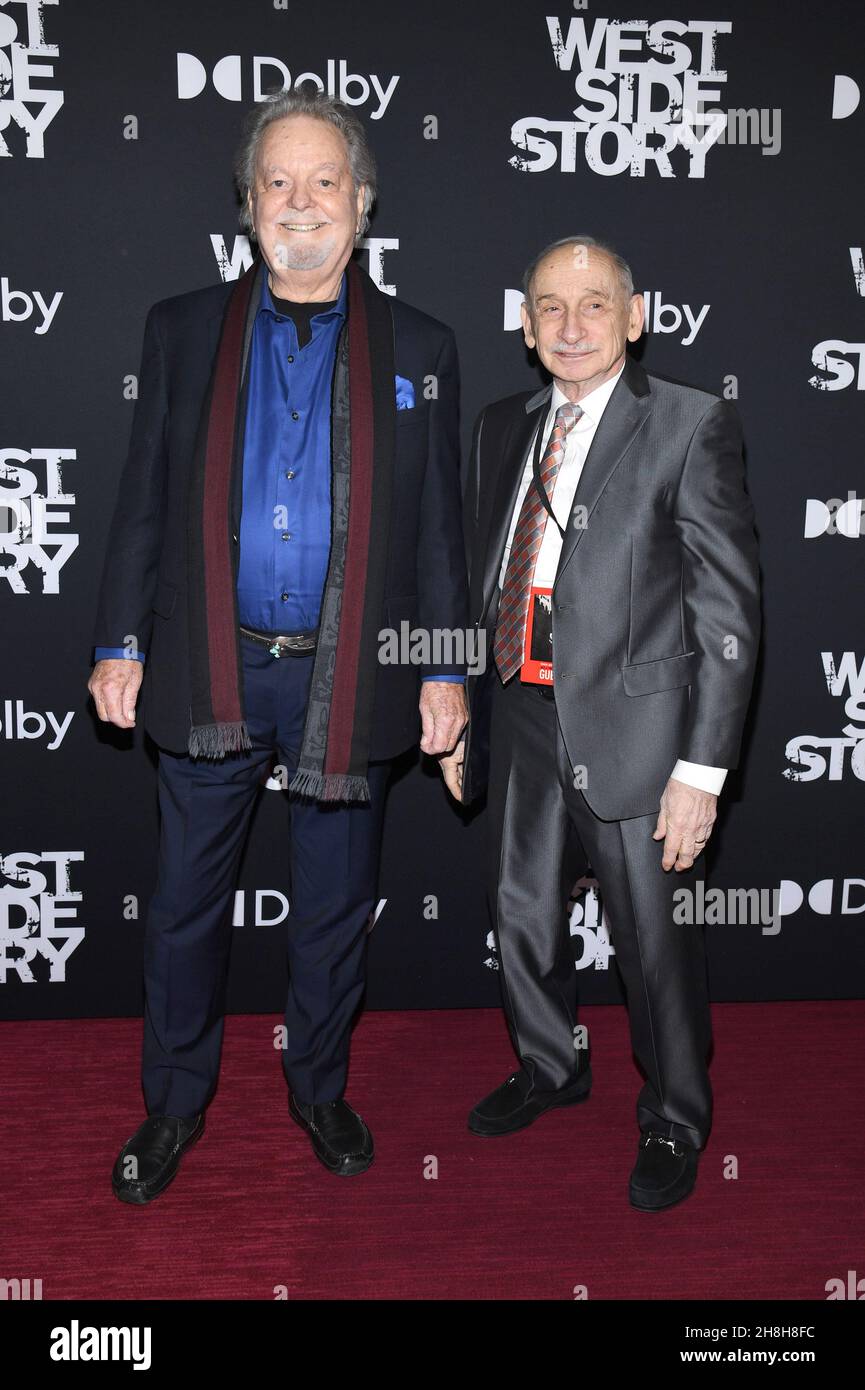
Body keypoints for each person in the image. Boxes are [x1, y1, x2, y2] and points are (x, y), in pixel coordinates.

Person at [89, 88, 468, 1203]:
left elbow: (442, 527)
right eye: (277, 183)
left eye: (324, 183)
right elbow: (142, 501)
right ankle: (172, 1104)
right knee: (184, 911)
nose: (301, 204)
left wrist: (445, 665)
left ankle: (318, 1088)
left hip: (351, 678)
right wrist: (120, 637)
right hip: (211, 662)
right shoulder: (180, 328)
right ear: (248, 205)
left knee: (335, 910)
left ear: (363, 203)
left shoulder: (426, 345)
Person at [440, 236, 760, 1211]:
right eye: (548, 307)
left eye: (592, 304)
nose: (569, 325)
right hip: (522, 708)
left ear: (634, 317)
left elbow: (728, 613)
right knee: (522, 912)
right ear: (526, 329)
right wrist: (459, 705)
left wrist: (701, 773)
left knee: (652, 946)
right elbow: (482, 574)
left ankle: (673, 1114)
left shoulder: (690, 424)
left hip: (639, 730)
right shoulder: (502, 425)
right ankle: (549, 1064)